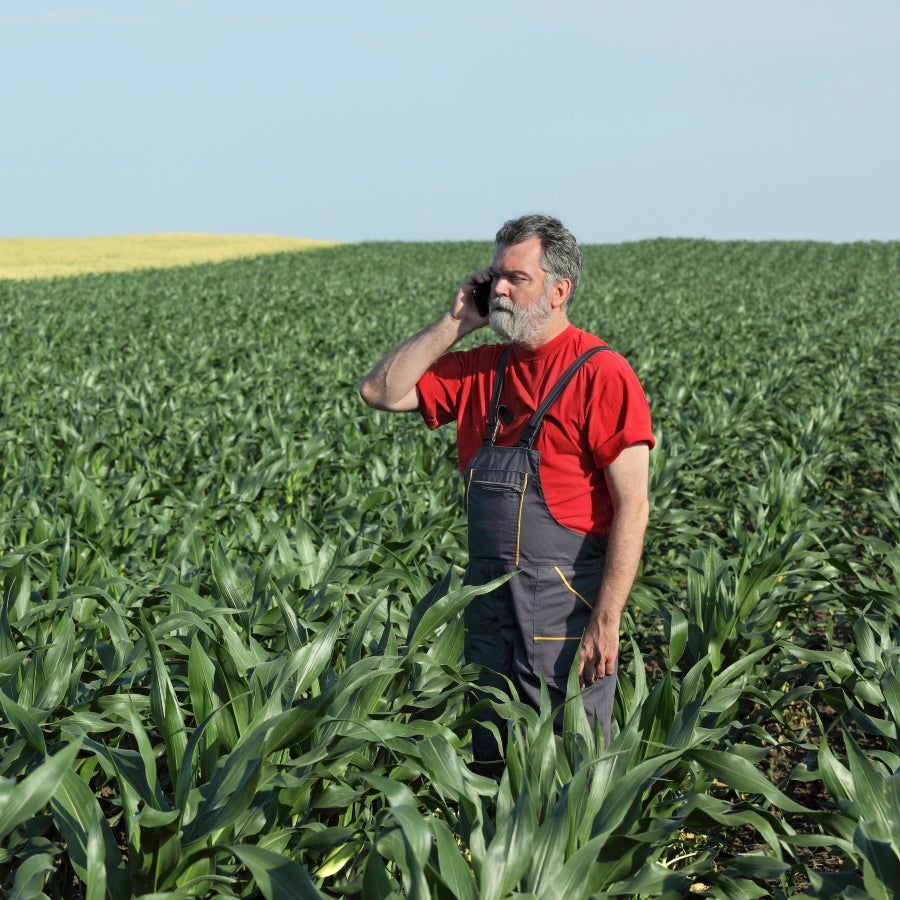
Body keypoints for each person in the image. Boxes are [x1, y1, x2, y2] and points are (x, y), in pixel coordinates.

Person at [359, 214, 654, 774]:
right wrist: (454, 322)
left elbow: (633, 508)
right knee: (494, 753)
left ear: (559, 290)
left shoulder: (601, 373)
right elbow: (380, 390)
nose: (498, 288)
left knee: (570, 765)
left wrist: (607, 619)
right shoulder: (480, 369)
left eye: (515, 278)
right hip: (489, 607)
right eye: (493, 276)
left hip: (566, 610)